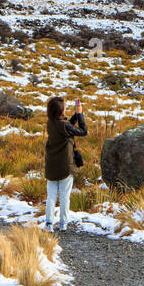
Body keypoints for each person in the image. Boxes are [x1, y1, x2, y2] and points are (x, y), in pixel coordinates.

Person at [44, 96, 87, 231]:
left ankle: (49, 223)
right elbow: (83, 131)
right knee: (64, 196)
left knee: (51, 197)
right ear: (61, 110)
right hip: (66, 166)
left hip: (51, 166)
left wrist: (75, 114)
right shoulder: (64, 125)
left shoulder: (50, 123)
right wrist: (79, 114)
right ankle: (63, 223)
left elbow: (66, 126)